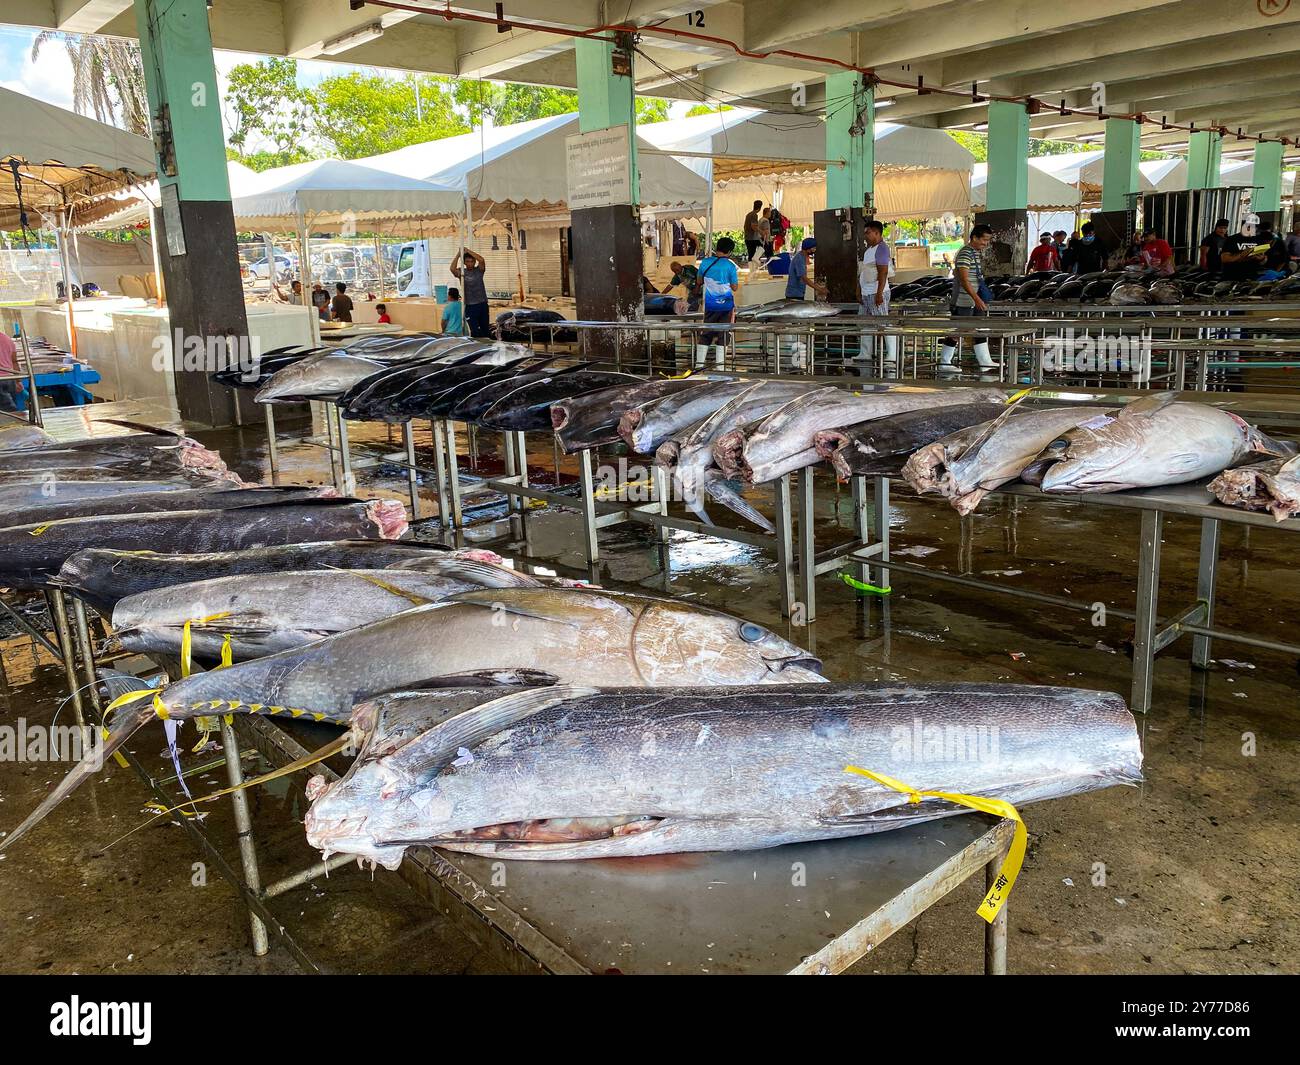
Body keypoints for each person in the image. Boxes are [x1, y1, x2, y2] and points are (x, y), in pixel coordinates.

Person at [939, 224, 995, 374]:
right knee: (959, 330)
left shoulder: (974, 252)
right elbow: (964, 279)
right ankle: (944, 361)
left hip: (973, 300)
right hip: (963, 300)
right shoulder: (965, 253)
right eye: (984, 240)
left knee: (978, 328)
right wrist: (976, 298)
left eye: (988, 240)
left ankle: (985, 360)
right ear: (974, 237)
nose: (986, 243)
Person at [694, 236, 739, 369]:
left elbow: (699, 281)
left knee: (706, 332)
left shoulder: (705, 262)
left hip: (710, 304)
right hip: (726, 305)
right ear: (730, 251)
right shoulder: (730, 266)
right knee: (724, 333)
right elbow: (735, 287)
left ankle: (699, 366)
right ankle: (720, 367)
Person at [784, 238, 826, 370]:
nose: (814, 251)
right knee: (794, 320)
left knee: (796, 321)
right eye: (813, 248)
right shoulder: (799, 259)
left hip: (798, 293)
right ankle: (792, 346)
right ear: (809, 248)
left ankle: (794, 344)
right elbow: (803, 278)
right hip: (794, 294)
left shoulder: (801, 257)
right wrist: (819, 288)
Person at [451, 248, 490, 338]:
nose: (470, 263)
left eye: (472, 261)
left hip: (482, 304)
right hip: (470, 306)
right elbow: (452, 269)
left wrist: (468, 250)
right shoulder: (462, 272)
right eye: (467, 261)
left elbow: (481, 260)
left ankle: (486, 347)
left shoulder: (479, 270)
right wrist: (458, 254)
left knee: (485, 330)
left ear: (474, 262)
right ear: (464, 262)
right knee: (475, 331)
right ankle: (476, 347)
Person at [1221, 214, 1268, 282]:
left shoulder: (1259, 240)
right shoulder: (1232, 239)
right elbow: (1224, 259)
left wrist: (1262, 258)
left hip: (1252, 277)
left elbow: (1264, 260)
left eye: (1255, 227)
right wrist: (1241, 255)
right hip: (1232, 277)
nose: (1252, 229)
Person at [0, 330, 21, 413]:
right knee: (11, 413)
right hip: (9, 379)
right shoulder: (7, 339)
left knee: (6, 411)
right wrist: (18, 381)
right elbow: (14, 361)